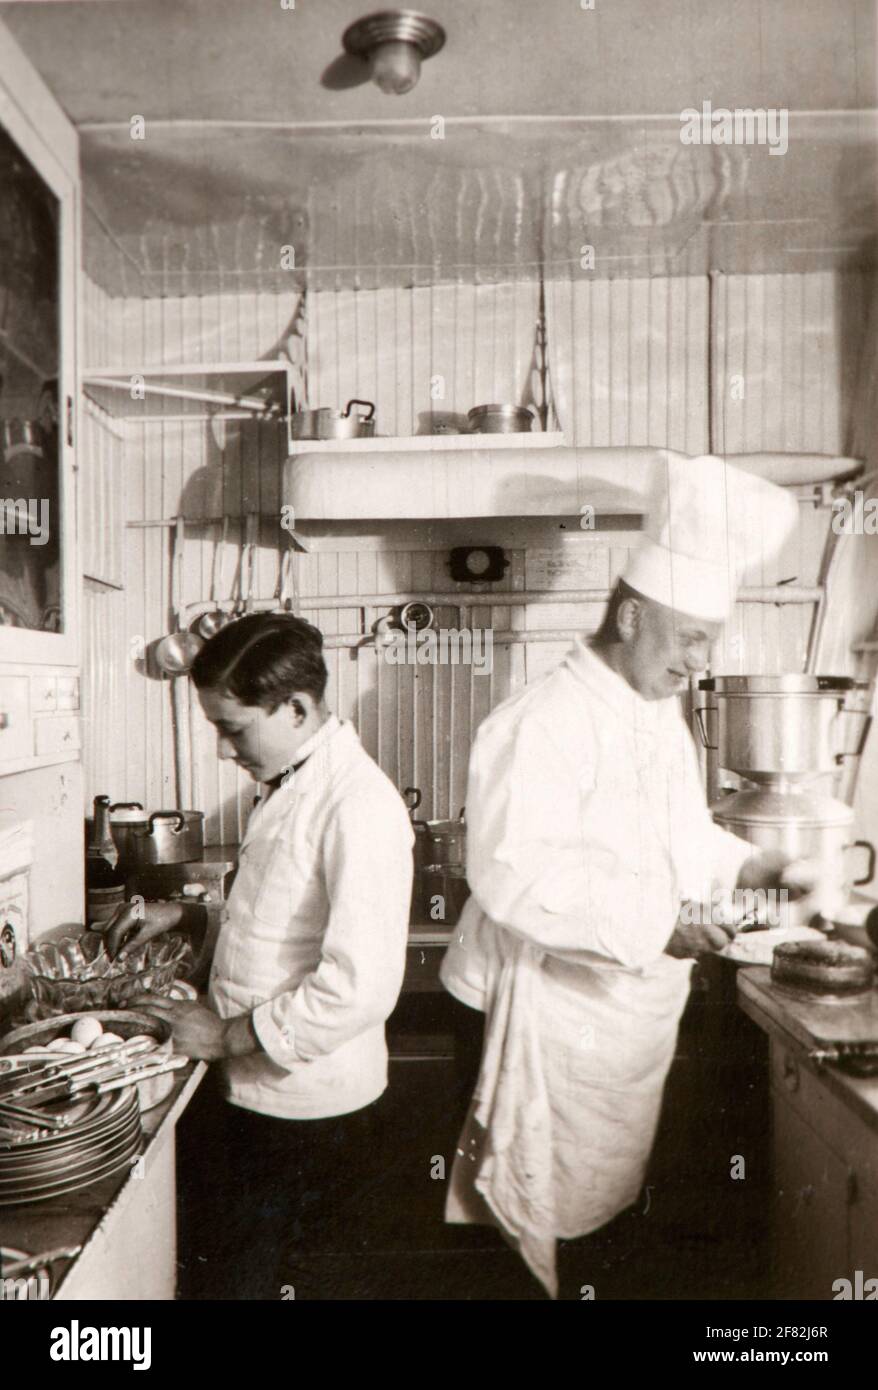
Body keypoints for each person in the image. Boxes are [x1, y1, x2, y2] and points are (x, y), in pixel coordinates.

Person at [439, 452, 822, 1299]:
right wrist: (662, 926)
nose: (697, 664)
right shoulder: (541, 722)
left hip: (618, 1019)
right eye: (690, 639)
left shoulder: (659, 723)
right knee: (518, 1241)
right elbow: (515, 876)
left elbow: (685, 837)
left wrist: (753, 864)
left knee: (599, 1223)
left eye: (709, 643)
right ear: (629, 615)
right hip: (532, 1014)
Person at [108, 612, 413, 1297]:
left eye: (233, 729)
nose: (223, 750)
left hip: (305, 1115)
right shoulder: (289, 782)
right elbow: (277, 917)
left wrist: (222, 1036)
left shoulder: (358, 805)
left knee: (259, 1284)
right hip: (257, 1094)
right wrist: (186, 914)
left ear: (298, 708)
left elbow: (359, 989)